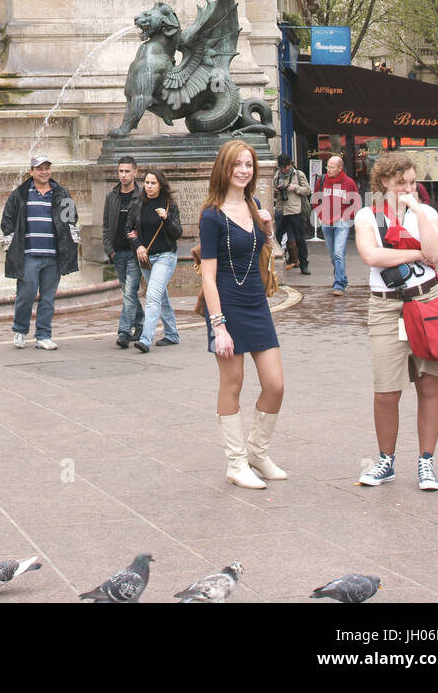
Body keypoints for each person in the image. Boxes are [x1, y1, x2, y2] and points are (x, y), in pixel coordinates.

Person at [353, 151, 438, 490]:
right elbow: (371, 256)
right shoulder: (367, 214)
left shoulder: (426, 212)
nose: (408, 189)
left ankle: (426, 463)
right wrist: (417, 252)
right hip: (385, 306)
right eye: (400, 183)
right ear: (383, 183)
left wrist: (420, 211)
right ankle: (386, 462)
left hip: (428, 301)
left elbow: (436, 253)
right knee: (386, 390)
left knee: (429, 384)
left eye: (412, 182)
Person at [199, 140, 285, 489]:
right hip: (227, 305)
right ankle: (235, 463)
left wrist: (268, 228)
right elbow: (207, 274)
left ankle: (256, 452)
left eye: (249, 164)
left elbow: (268, 254)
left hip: (255, 302)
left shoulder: (255, 205)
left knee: (275, 385)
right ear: (225, 168)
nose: (243, 170)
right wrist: (218, 326)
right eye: (237, 164)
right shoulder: (212, 215)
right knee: (233, 383)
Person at [1, 156, 80, 350]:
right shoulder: (20, 194)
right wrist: (9, 240)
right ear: (31, 171)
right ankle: (20, 330)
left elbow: (71, 219)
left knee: (48, 298)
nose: (44, 172)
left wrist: (70, 243)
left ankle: (43, 335)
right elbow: (7, 219)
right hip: (28, 254)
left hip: (54, 255)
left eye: (47, 168)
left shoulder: (61, 194)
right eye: (40, 169)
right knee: (25, 294)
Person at [124, 170, 182, 353]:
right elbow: (129, 230)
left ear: (161, 185)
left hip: (166, 256)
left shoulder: (169, 205)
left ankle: (145, 339)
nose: (148, 186)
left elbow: (177, 233)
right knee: (161, 296)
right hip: (146, 258)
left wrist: (166, 218)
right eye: (147, 182)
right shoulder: (137, 204)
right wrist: (138, 245)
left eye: (153, 183)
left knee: (152, 297)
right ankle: (172, 334)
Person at [102, 157, 144, 347]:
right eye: (121, 171)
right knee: (129, 292)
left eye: (127, 171)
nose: (124, 175)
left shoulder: (142, 195)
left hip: (134, 252)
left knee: (129, 293)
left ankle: (124, 332)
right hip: (117, 252)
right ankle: (140, 322)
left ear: (135, 172)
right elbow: (105, 225)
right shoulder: (112, 196)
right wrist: (109, 250)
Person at [314, 154, 359, 294]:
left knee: (339, 253)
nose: (329, 169)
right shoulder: (321, 180)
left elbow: (355, 202)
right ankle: (343, 278)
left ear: (340, 168)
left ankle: (338, 284)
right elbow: (316, 199)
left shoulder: (349, 182)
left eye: (332, 167)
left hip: (342, 222)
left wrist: (348, 217)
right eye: (328, 166)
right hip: (326, 221)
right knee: (333, 255)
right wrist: (320, 215)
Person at [273, 153, 312, 274]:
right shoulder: (276, 176)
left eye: (286, 167)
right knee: (277, 238)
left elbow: (308, 190)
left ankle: (303, 265)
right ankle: (275, 263)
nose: (284, 169)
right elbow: (273, 194)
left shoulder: (299, 175)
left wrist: (295, 188)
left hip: (295, 211)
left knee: (300, 239)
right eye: (281, 167)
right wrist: (277, 191)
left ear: (291, 164)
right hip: (281, 210)